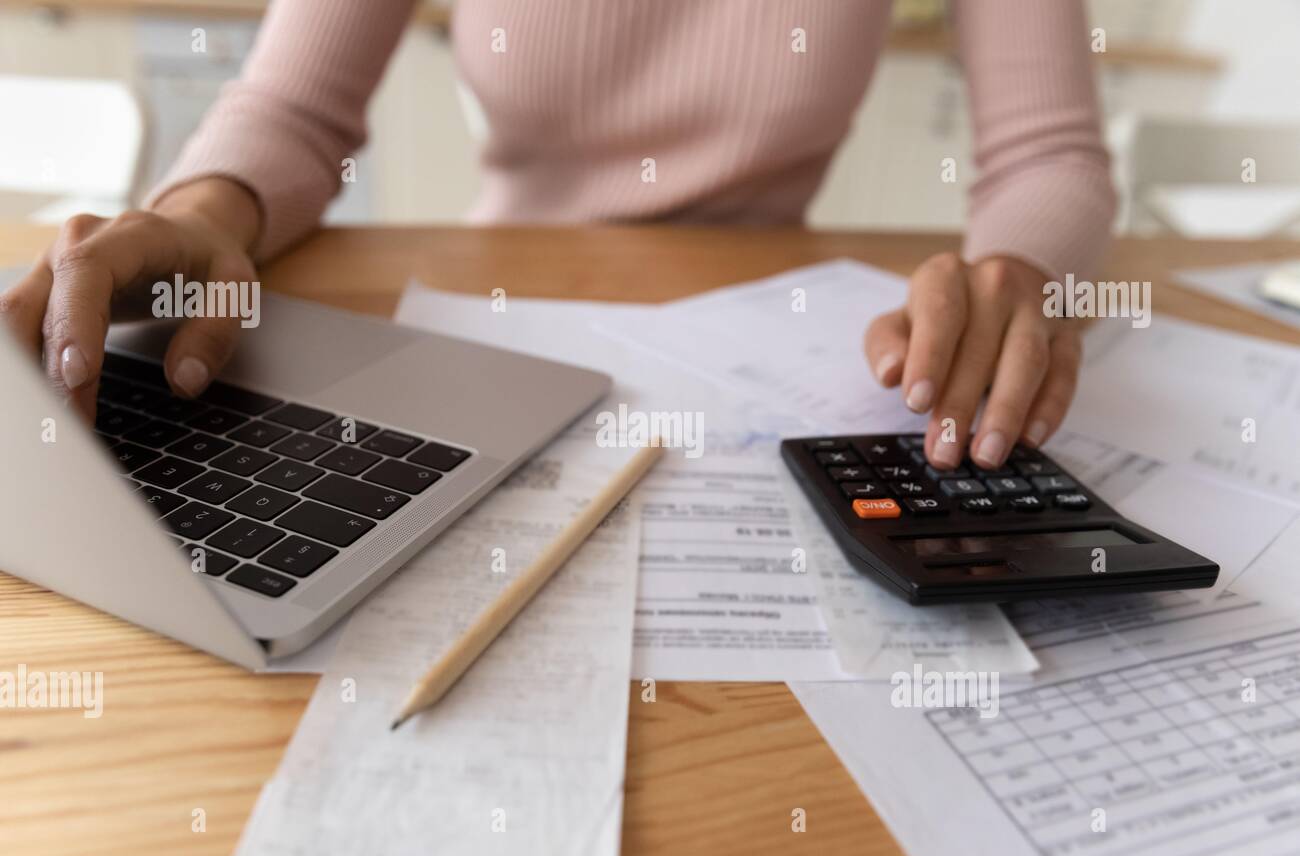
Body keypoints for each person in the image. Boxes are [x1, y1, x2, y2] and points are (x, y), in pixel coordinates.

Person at [0, 0, 1115, 470]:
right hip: (495, 329)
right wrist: (203, 214)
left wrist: (1015, 271)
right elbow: (294, 110)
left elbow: (1051, 155)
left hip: (787, 357)